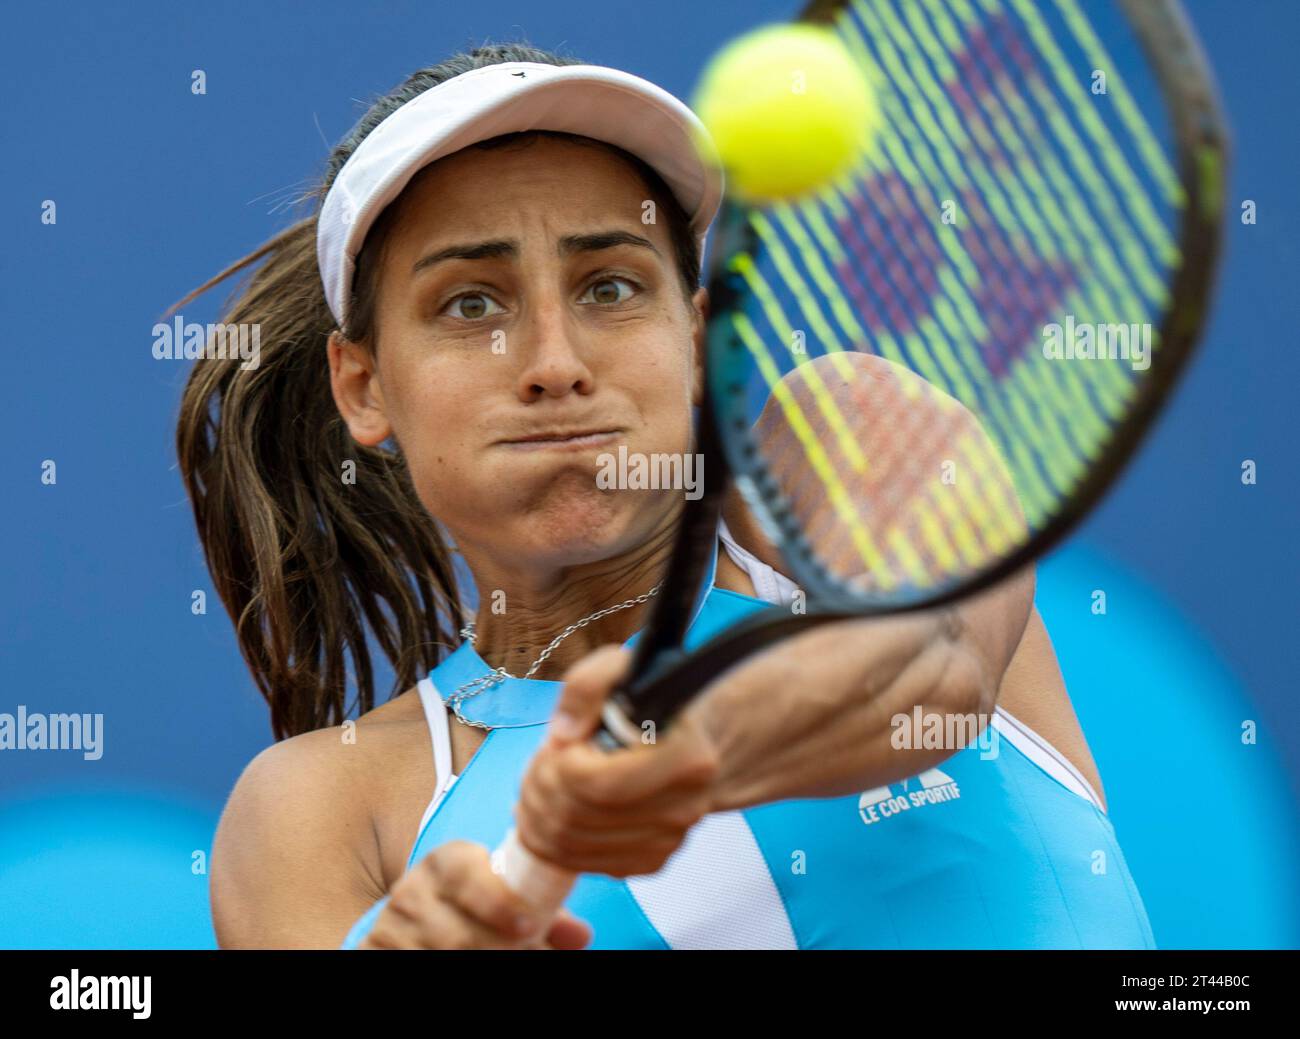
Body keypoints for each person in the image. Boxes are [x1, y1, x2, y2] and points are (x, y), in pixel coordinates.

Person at [173, 42, 1154, 950]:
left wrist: (681, 749)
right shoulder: (317, 812)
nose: (555, 363)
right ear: (364, 386)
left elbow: (926, 666)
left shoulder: (841, 437)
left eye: (608, 287)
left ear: (693, 339)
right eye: (471, 303)